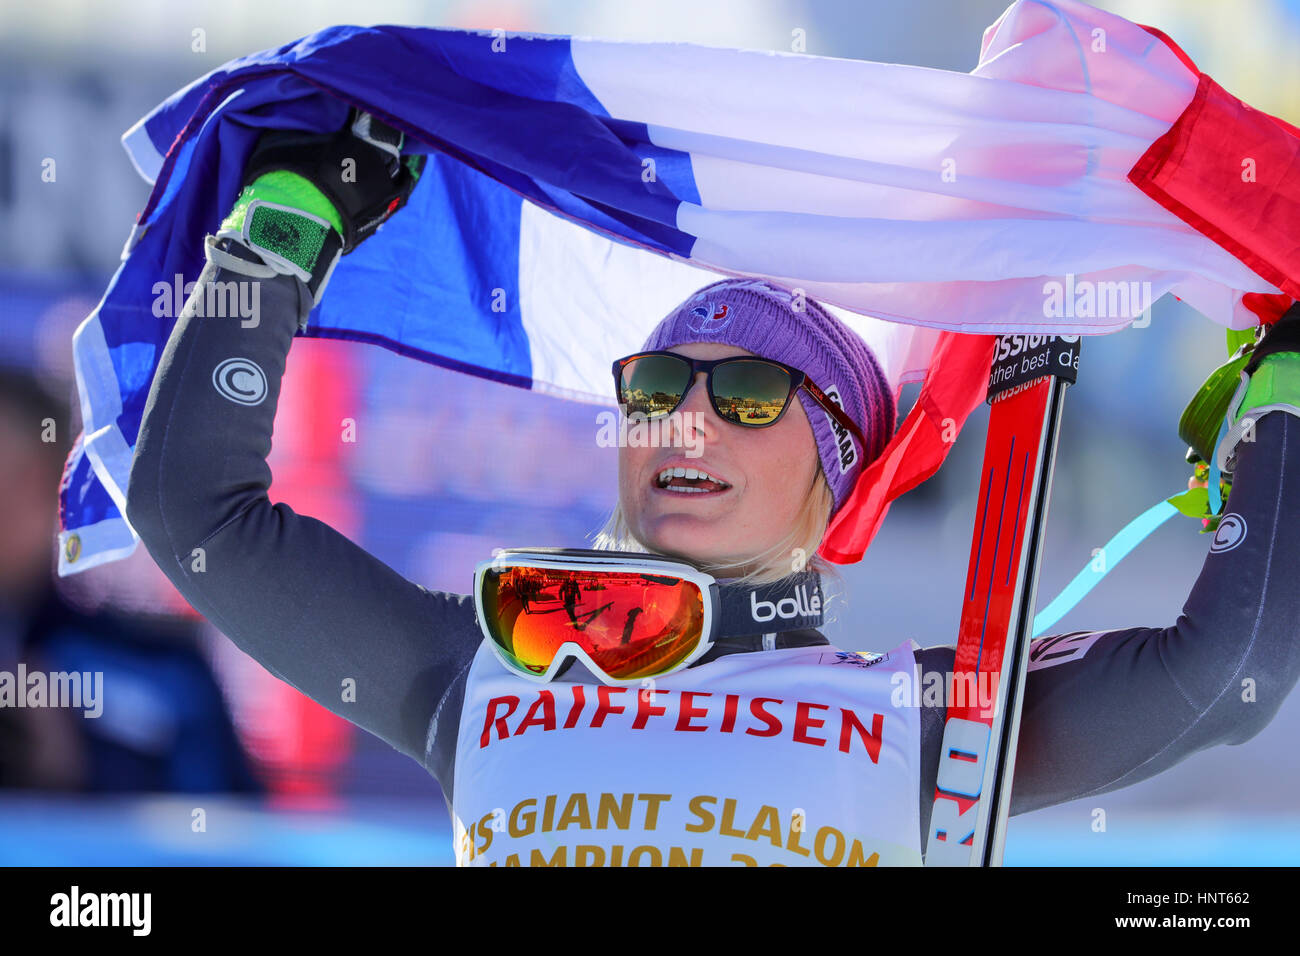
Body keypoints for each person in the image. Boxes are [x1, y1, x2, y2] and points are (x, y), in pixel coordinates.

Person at [125, 113, 1300, 866]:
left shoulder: (932, 718)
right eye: (652, 387)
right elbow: (193, 518)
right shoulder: (472, 672)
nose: (683, 416)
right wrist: (289, 221)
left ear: (836, 465)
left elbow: (1230, 670)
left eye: (745, 391)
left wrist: (1283, 383)